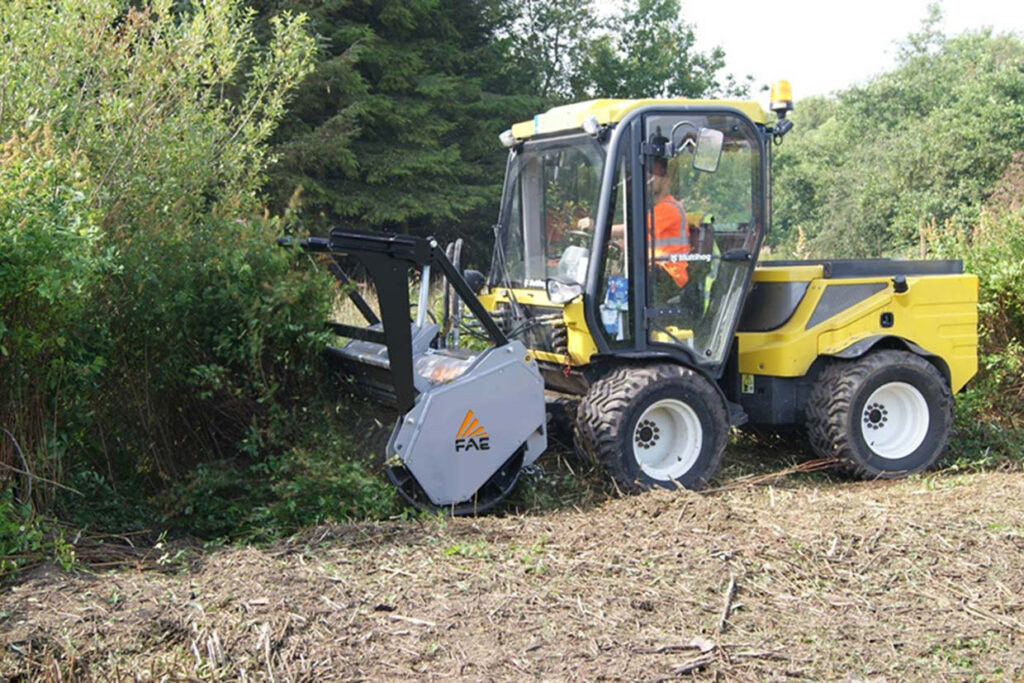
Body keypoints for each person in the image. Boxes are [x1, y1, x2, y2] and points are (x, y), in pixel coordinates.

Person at [648, 156, 692, 305]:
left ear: (666, 179)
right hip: (659, 269)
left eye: (653, 174)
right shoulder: (655, 209)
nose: (648, 179)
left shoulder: (669, 208)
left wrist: (597, 226)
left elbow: (636, 227)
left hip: (671, 274)